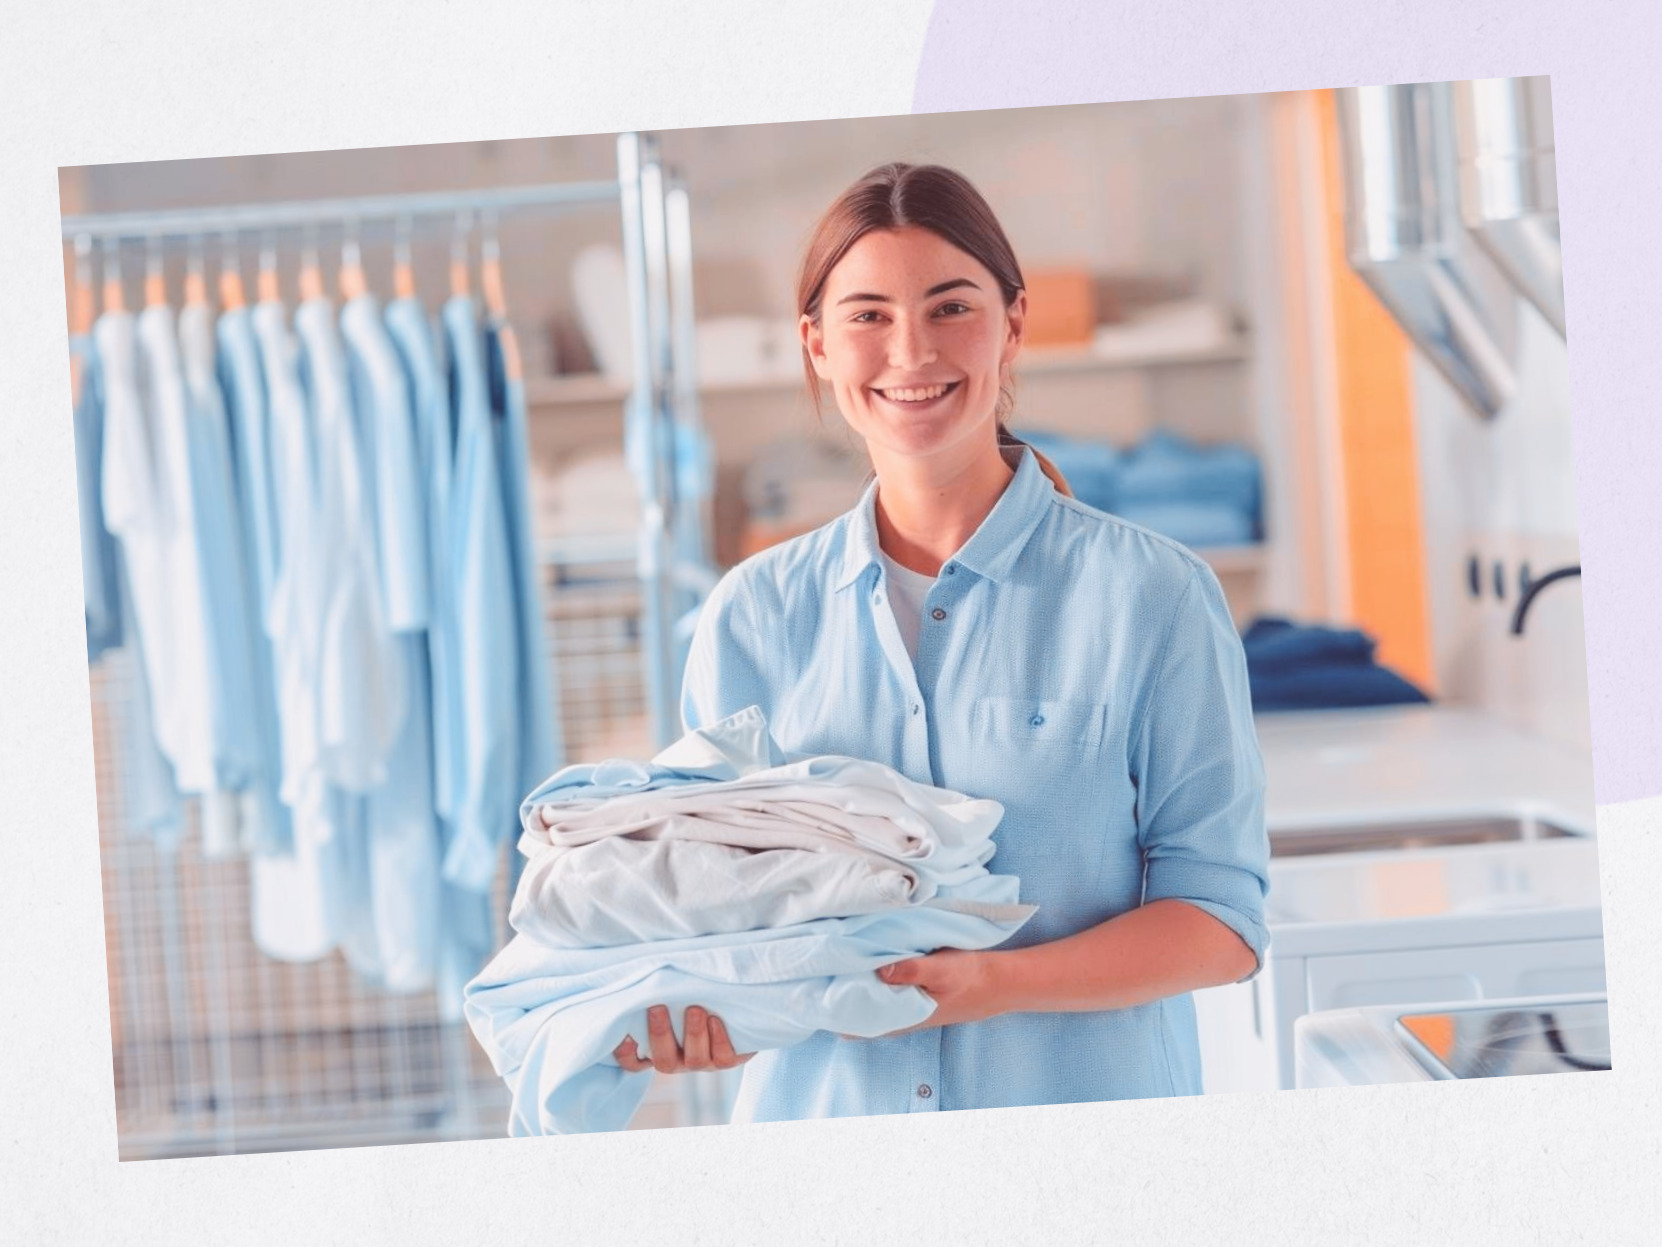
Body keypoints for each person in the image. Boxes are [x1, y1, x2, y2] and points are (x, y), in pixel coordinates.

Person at [611, 162, 1270, 1119]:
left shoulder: (1153, 596)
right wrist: (699, 1006)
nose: (911, 351)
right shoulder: (752, 616)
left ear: (1014, 324)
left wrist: (994, 984)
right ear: (818, 346)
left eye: (950, 306)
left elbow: (1221, 922)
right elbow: (721, 909)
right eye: (868, 315)